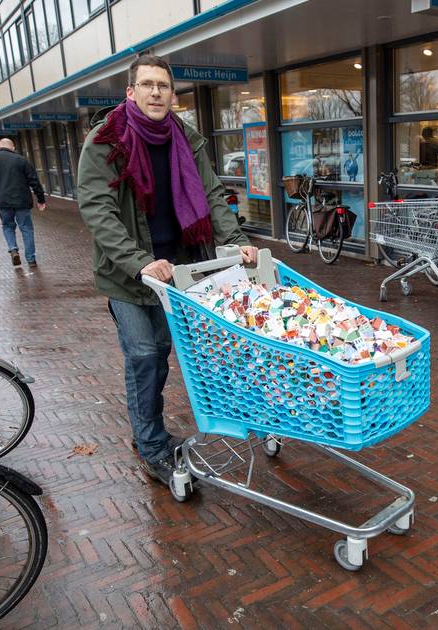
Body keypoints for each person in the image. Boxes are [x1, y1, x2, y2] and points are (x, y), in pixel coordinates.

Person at [76, 54, 257, 487]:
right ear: (131, 92)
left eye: (163, 86)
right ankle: (151, 444)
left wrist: (233, 242)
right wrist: (139, 262)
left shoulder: (185, 137)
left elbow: (212, 194)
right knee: (145, 355)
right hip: (129, 273)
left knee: (177, 353)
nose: (156, 93)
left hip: (182, 266)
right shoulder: (106, 141)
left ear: (173, 94)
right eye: (148, 85)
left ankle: (156, 431)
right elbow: (98, 210)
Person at [0, 138, 46, 267]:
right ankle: (31, 259)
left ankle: (13, 249)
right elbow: (34, 180)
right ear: (13, 148)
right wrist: (41, 199)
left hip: (2, 201)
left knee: (8, 226)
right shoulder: (21, 160)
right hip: (22, 201)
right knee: (26, 229)